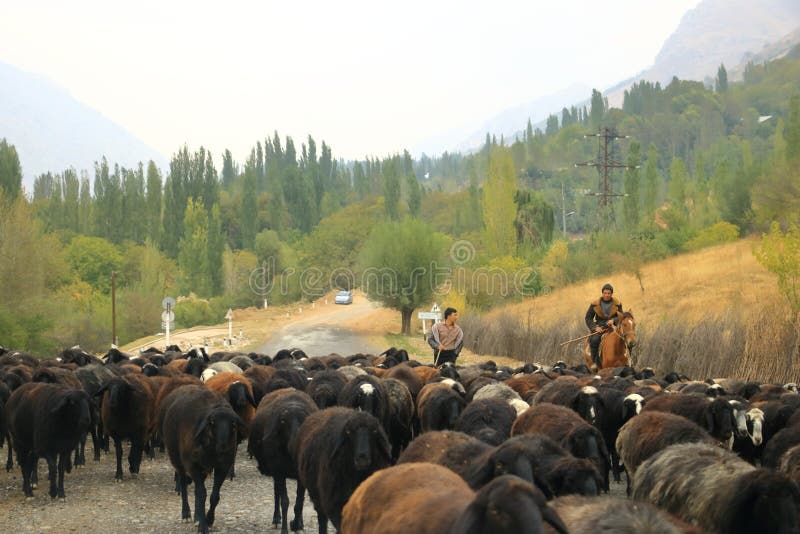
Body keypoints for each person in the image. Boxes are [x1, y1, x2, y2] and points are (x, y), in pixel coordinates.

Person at [585, 283, 624, 369]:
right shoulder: (594, 304)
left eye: (608, 293)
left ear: (611, 294)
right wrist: (595, 327)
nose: (606, 295)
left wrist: (613, 320)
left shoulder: (617, 304)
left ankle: (627, 360)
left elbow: (621, 317)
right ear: (602, 293)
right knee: (594, 340)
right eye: (605, 293)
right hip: (600, 327)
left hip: (614, 327)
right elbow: (588, 318)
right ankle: (595, 362)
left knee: (625, 339)